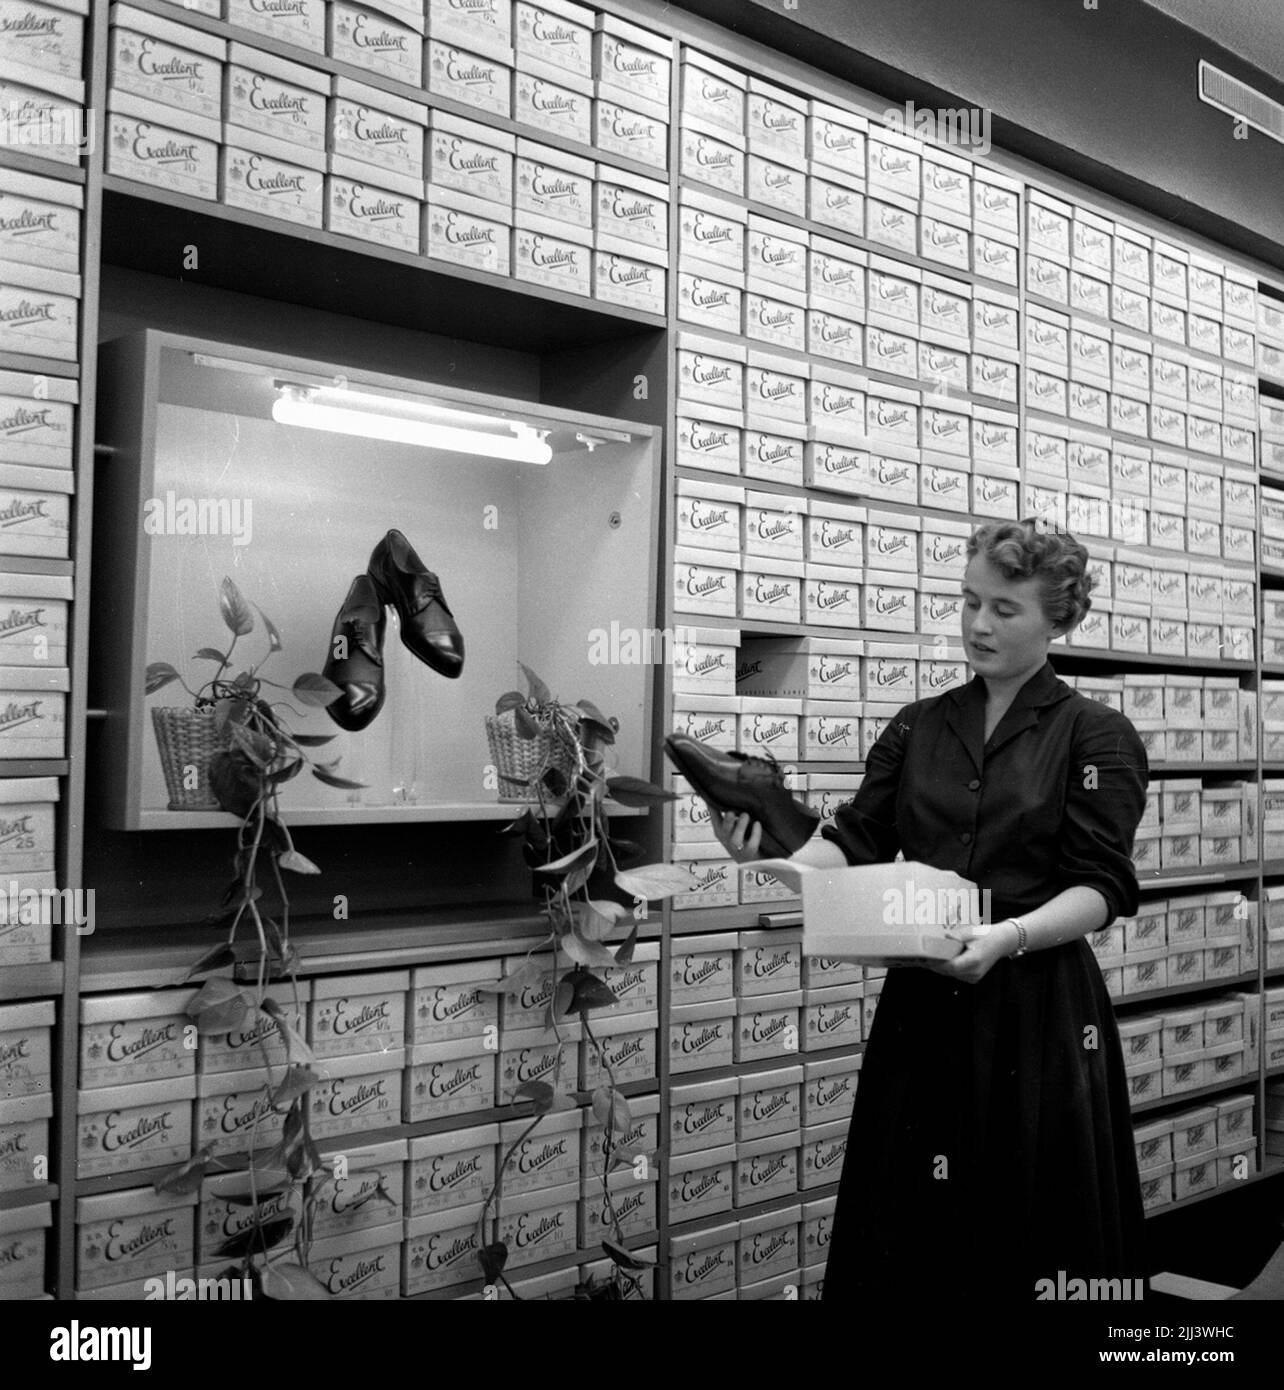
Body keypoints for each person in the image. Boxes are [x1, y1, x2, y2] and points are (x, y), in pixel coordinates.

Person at [712, 518, 1150, 1301]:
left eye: (1005, 610)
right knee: (912, 1223)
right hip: (927, 1005)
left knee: (1030, 1229)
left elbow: (1101, 887)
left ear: (1059, 618)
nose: (978, 625)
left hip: (1038, 1008)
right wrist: (771, 857)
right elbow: (852, 840)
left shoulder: (1098, 737)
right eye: (969, 601)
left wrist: (1008, 935)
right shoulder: (918, 725)